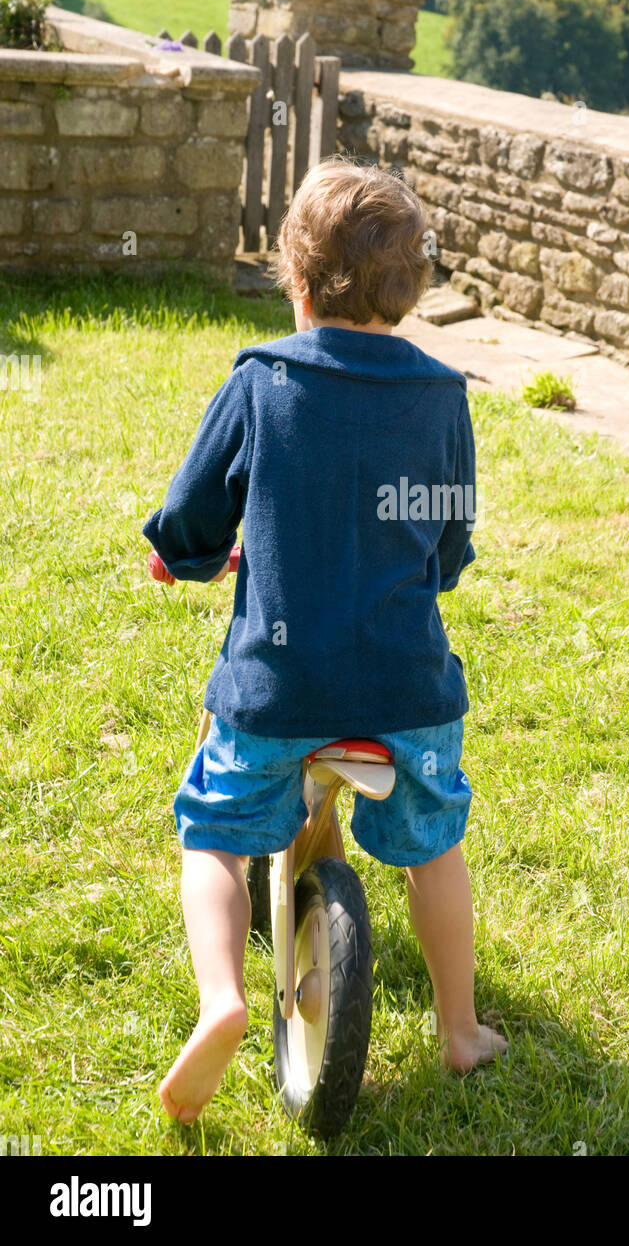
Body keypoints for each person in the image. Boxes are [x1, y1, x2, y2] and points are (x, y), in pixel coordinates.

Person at [143, 159, 508, 1124]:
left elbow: (192, 516)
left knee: (214, 831)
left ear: (295, 283)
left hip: (277, 692)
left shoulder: (260, 380)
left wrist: (183, 558)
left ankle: (222, 999)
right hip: (408, 693)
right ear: (411, 286)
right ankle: (460, 1031)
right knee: (435, 847)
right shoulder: (442, 394)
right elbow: (451, 542)